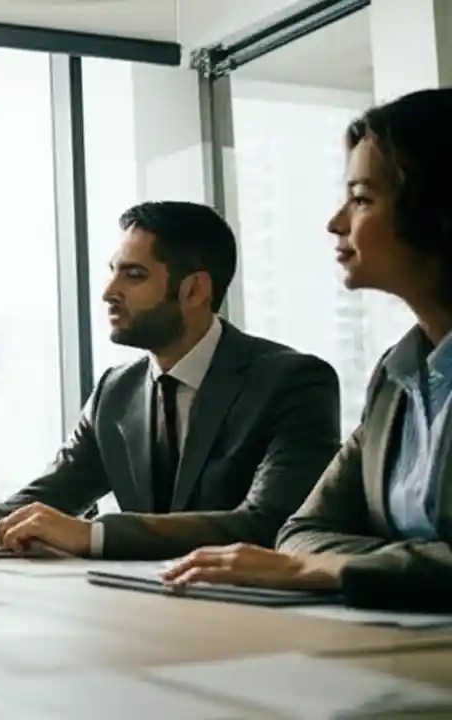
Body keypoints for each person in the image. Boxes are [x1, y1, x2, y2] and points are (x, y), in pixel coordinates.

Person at [0, 201, 342, 560]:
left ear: (194, 291)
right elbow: (52, 496)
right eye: (113, 271)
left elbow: (270, 523)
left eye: (133, 275)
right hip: (141, 608)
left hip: (257, 619)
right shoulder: (116, 391)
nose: (109, 291)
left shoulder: (294, 382)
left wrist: (95, 535)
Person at [162, 89, 452, 612]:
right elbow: (301, 530)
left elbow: (303, 554)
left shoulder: (300, 377)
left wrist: (329, 567)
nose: (336, 222)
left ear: (438, 210)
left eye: (362, 199)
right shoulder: (397, 377)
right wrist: (394, 566)